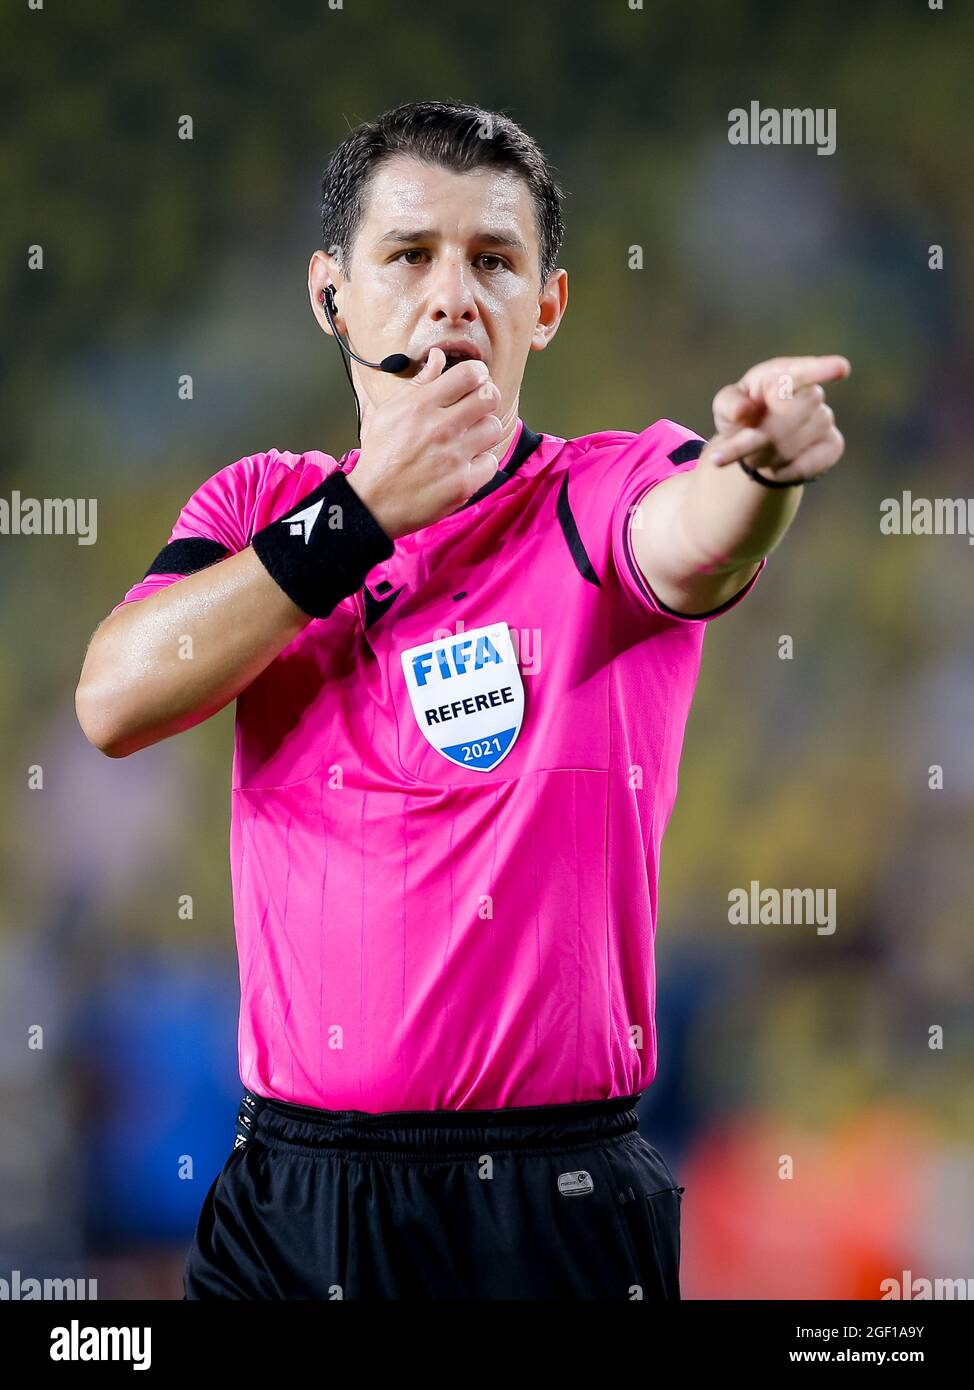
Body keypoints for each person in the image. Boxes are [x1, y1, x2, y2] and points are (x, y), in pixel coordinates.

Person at [74, 99, 848, 1301]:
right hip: (295, 1195)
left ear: (546, 305)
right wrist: (361, 517)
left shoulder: (596, 497)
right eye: (409, 256)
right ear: (330, 295)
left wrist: (757, 466)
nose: (451, 296)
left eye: (493, 261)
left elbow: (696, 532)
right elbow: (114, 697)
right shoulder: (255, 505)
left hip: (549, 1206)